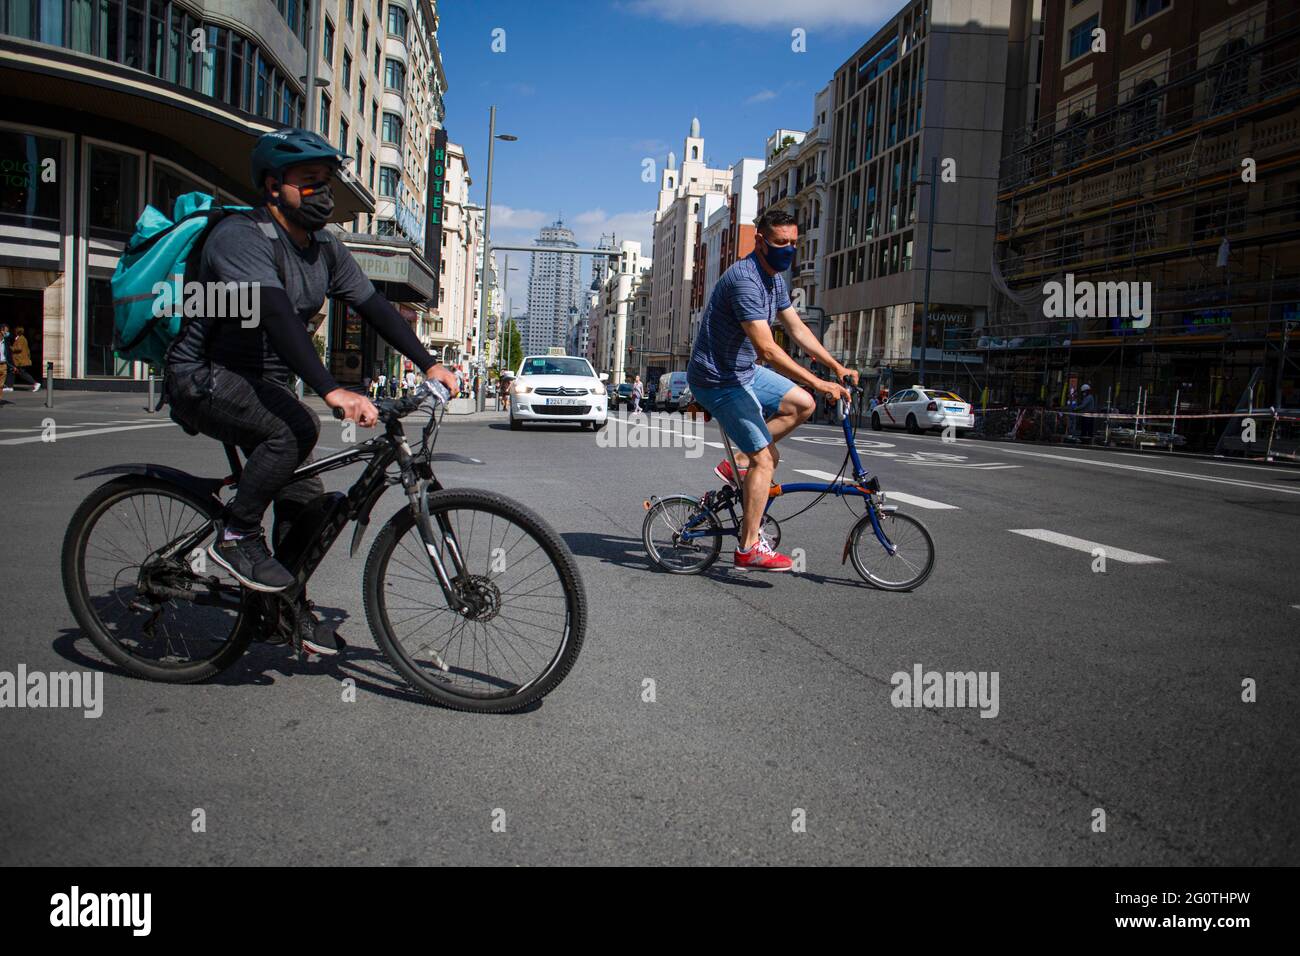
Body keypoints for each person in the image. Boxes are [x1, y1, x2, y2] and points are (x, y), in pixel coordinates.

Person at [164, 128, 459, 655]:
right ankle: (235, 534)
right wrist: (331, 391)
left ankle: (280, 605)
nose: (323, 193)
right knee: (294, 429)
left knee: (308, 502)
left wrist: (430, 363)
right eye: (309, 182)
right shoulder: (240, 238)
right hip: (204, 375)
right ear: (274, 186)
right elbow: (276, 315)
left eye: (327, 182)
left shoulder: (325, 247)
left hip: (264, 384)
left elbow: (372, 307)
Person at [686, 208, 855, 572]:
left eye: (794, 243)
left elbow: (798, 330)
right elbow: (769, 349)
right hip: (717, 379)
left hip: (744, 371)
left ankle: (740, 464)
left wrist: (835, 366)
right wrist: (819, 380)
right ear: (760, 241)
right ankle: (748, 547)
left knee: (802, 404)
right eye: (781, 243)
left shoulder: (774, 278)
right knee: (767, 459)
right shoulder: (745, 280)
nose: (789, 250)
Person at [8, 326, 39, 391]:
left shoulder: (21, 339)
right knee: (13, 371)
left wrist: (10, 348)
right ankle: (10, 386)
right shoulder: (21, 338)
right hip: (20, 359)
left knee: (22, 373)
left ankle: (35, 383)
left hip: (20, 360)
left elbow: (19, 348)